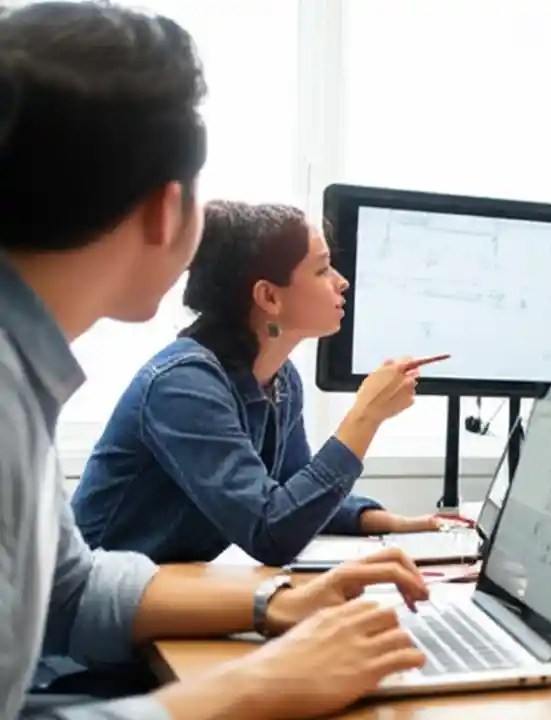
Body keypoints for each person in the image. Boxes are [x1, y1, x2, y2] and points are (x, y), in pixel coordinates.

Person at [0, 3, 432, 718]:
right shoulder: (171, 380)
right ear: (167, 209)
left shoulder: (23, 379)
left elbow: (70, 588)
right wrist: (260, 686)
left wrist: (279, 598)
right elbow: (271, 522)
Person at [71, 199, 458, 567]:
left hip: (162, 594)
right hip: (93, 614)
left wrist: (400, 524)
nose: (341, 283)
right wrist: (365, 416)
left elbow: (298, 496)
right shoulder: (183, 386)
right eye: (323, 270)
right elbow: (272, 531)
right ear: (269, 296)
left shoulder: (281, 381)